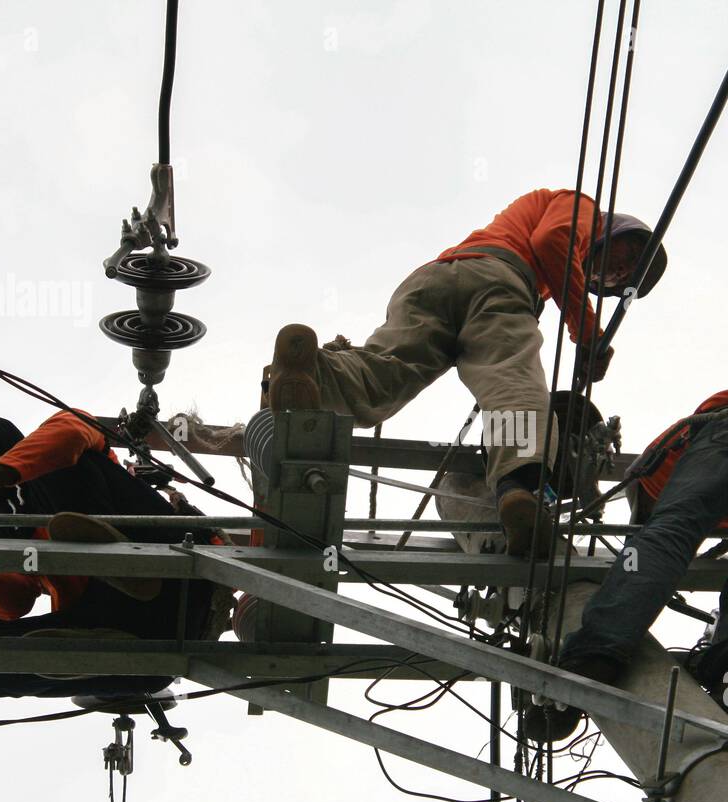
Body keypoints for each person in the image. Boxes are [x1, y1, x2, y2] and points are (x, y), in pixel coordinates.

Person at [265, 188, 666, 556]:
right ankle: (520, 488)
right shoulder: (583, 206)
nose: (617, 273)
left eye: (619, 280)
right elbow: (552, 241)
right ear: (614, 228)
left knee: (387, 371)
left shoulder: (542, 256)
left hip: (431, 281)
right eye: (627, 256)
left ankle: (309, 373)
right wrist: (587, 331)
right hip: (497, 279)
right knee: (512, 381)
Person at [525, 385, 728, 742]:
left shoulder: (648, 475)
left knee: (668, 537)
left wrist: (627, 589)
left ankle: (594, 655)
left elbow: (655, 543)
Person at [0, 409, 229, 699]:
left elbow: (70, 434)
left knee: (50, 465)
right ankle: (110, 656)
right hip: (143, 633)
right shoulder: (7, 532)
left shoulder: (62, 434)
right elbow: (14, 603)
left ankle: (121, 563)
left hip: (178, 574)